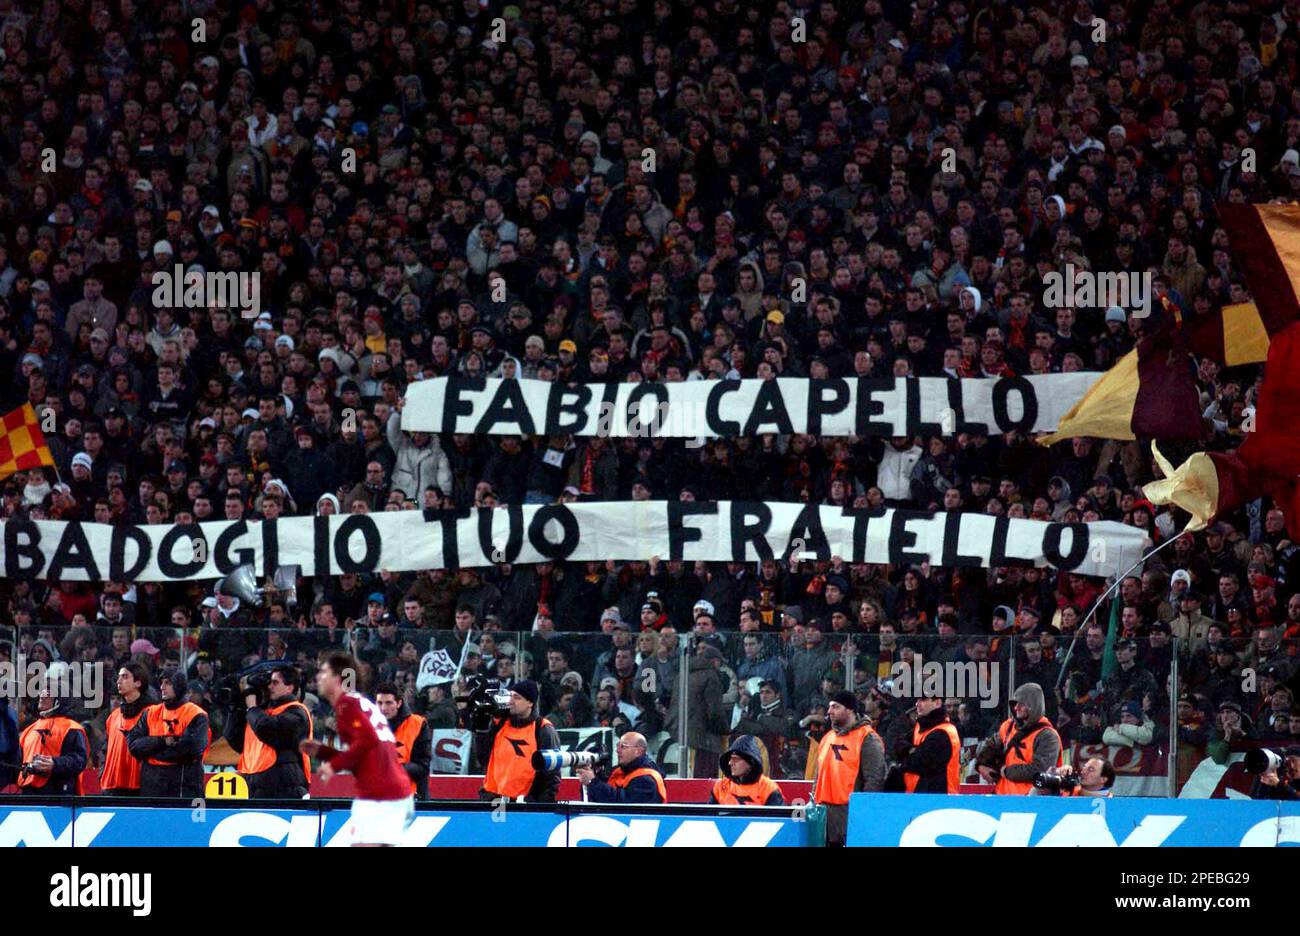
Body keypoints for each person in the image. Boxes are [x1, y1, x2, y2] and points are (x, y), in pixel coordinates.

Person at [299, 652, 413, 846]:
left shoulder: (346, 704)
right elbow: (364, 753)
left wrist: (333, 765)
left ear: (337, 678)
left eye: (324, 672)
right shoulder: (360, 703)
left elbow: (367, 740)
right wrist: (324, 752)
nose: (318, 677)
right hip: (393, 789)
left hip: (379, 794)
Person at [225, 664, 313, 798]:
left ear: (289, 688)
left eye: (275, 683)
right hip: (254, 787)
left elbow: (268, 730)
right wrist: (236, 707)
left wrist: (252, 708)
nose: (269, 686)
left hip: (284, 790)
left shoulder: (297, 712)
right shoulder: (261, 714)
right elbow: (235, 740)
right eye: (269, 682)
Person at [812, 690, 886, 846]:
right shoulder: (828, 737)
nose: (829, 711)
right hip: (823, 814)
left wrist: (862, 814)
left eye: (835, 707)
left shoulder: (867, 738)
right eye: (830, 707)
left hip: (848, 815)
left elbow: (874, 779)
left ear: (850, 709)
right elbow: (818, 777)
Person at [127, 669, 210, 797]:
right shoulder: (150, 713)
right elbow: (133, 746)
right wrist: (162, 741)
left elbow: (190, 751)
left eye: (168, 683)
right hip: (151, 786)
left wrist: (151, 753)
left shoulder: (196, 714)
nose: (162, 687)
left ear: (179, 685)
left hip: (184, 787)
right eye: (161, 683)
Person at [981, 682, 1062, 794]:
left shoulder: (1047, 736)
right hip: (1002, 796)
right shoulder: (1008, 726)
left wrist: (1006, 771)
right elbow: (990, 746)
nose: (1016, 708)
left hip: (1031, 801)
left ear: (1033, 705)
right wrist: (981, 765)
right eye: (1015, 704)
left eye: (1021, 704)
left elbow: (1040, 770)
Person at [17, 685, 89, 795]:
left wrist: (55, 764)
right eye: (42, 692)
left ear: (59, 700)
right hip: (28, 792)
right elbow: (17, 762)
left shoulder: (72, 728)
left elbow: (79, 761)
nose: (42, 695)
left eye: (49, 693)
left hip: (58, 792)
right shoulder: (28, 730)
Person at [100, 663, 152, 795]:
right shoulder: (113, 716)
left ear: (138, 682)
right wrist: (102, 773)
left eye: (125, 677)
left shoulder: (152, 713)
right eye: (119, 677)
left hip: (139, 786)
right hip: (111, 786)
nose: (119, 681)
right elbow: (105, 750)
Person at [576, 731, 667, 803]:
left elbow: (620, 803)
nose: (617, 750)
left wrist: (593, 781)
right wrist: (596, 773)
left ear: (638, 751)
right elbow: (602, 794)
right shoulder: (621, 770)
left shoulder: (647, 779)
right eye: (618, 746)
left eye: (623, 746)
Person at [900, 689, 961, 793]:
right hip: (918, 795)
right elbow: (898, 744)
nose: (917, 704)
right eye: (917, 700)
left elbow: (918, 763)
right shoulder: (920, 726)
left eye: (923, 700)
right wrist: (912, 751)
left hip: (940, 798)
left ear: (937, 703)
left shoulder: (944, 733)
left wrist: (908, 752)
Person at [376, 682, 431, 799]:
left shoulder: (418, 724)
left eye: (388, 703)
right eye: (379, 703)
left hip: (411, 798)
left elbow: (423, 767)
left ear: (399, 703)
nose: (383, 708)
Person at [710, 734, 784, 805]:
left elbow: (777, 817)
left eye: (735, 759)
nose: (730, 763)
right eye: (730, 759)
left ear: (751, 762)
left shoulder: (768, 789)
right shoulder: (720, 787)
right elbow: (708, 816)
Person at [1033, 756, 1115, 797]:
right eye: (1084, 767)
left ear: (1103, 779)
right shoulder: (1070, 789)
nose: (1083, 771)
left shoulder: (1112, 803)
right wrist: (1056, 772)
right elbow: (1039, 792)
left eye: (1090, 769)